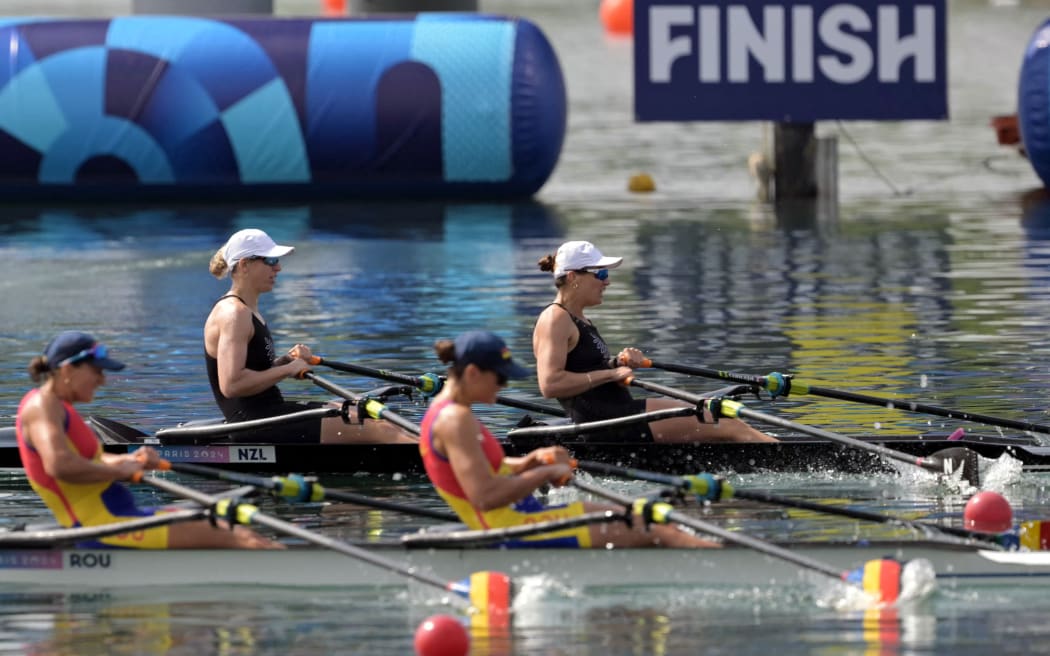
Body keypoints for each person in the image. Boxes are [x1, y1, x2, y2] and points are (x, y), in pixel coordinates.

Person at [420, 330, 719, 548]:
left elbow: (483, 470)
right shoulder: (454, 420)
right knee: (656, 527)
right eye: (500, 379)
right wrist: (544, 473)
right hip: (513, 530)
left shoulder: (446, 413)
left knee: (643, 517)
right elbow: (484, 497)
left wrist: (528, 462)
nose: (503, 387)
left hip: (523, 518)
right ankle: (727, 563)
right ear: (472, 373)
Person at [16, 331, 282, 549]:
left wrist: (130, 459)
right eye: (97, 371)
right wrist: (117, 469)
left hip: (120, 517)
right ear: (67, 369)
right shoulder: (42, 406)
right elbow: (59, 466)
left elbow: (89, 460)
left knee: (235, 529)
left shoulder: (61, 409)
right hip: (101, 528)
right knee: (241, 539)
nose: (102, 380)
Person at [533, 240, 777, 444]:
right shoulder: (555, 318)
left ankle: (774, 449)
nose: (607, 282)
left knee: (717, 416)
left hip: (617, 414)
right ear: (574, 276)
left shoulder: (578, 318)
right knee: (723, 421)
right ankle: (789, 458)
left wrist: (616, 362)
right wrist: (610, 374)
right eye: (601, 274)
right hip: (608, 425)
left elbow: (584, 369)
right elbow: (550, 384)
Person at [204, 228, 416, 444]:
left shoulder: (247, 311)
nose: (278, 267)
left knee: (367, 414)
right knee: (381, 431)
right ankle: (440, 464)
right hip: (254, 424)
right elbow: (232, 385)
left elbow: (253, 373)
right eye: (270, 260)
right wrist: (288, 370)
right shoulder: (233, 313)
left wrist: (285, 363)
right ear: (244, 265)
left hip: (269, 413)